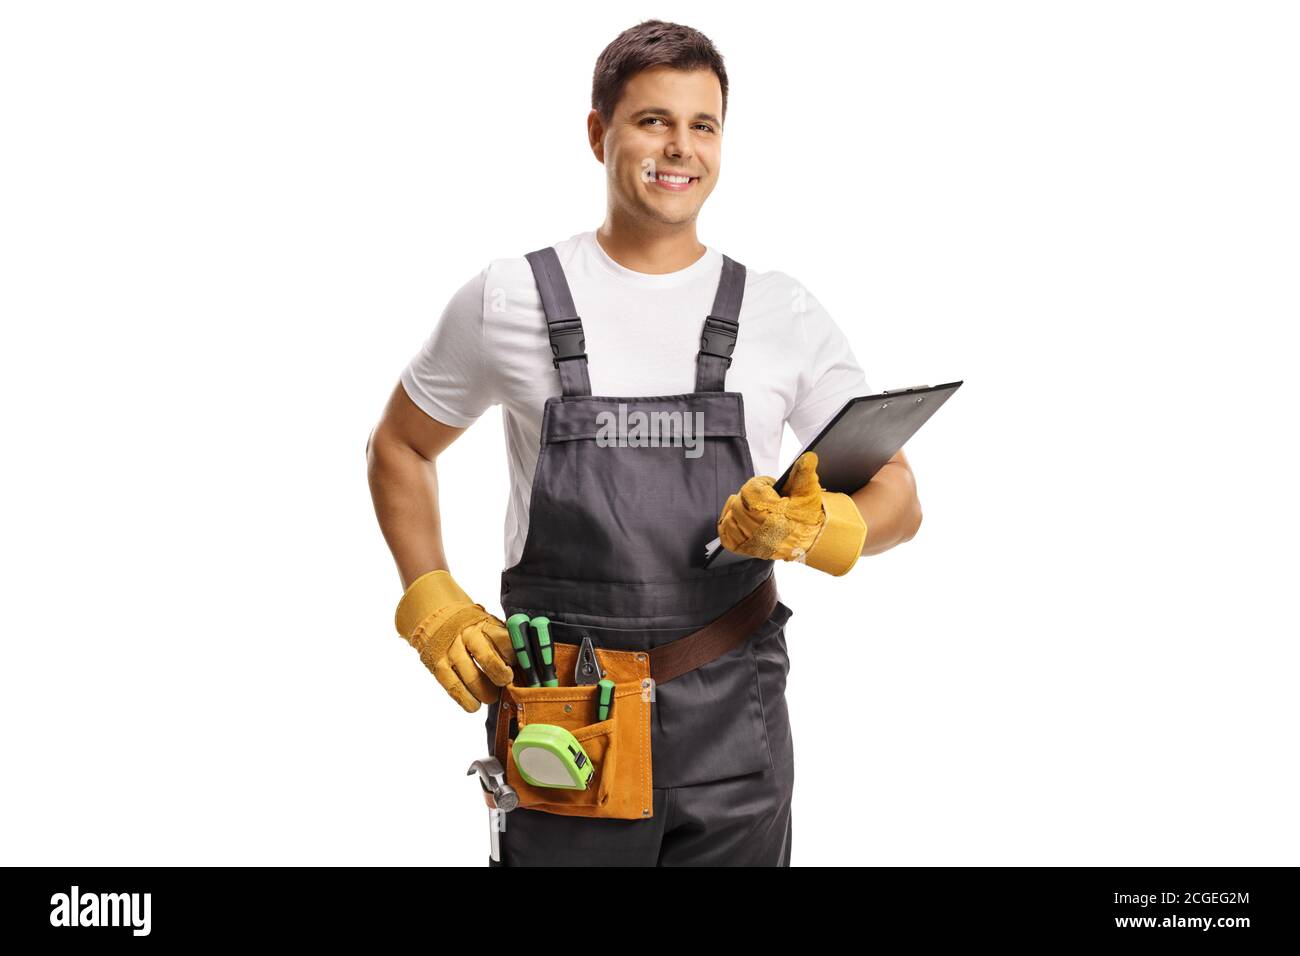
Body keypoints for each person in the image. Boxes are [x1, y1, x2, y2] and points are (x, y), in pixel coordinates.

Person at [366, 19, 923, 866]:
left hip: (735, 720)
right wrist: (431, 599)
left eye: (703, 125)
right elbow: (400, 447)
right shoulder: (511, 297)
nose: (680, 147)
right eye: (653, 120)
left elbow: (901, 496)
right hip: (565, 722)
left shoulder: (780, 313)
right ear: (600, 133)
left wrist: (819, 529)